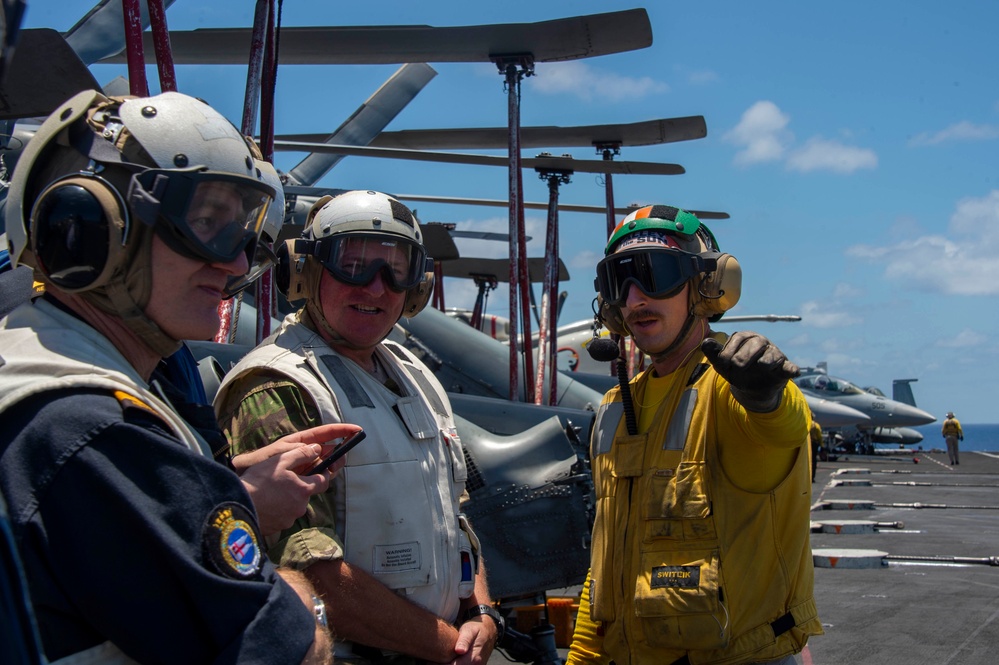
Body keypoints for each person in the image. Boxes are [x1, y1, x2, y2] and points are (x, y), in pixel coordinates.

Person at [0, 89, 350, 664]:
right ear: (90, 227)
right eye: (208, 224)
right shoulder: (92, 430)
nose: (237, 263)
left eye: (242, 234)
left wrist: (217, 489)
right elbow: (288, 651)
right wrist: (304, 597)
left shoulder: (42, 369)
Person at [214, 190, 501, 665]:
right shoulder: (281, 386)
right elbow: (312, 571)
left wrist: (485, 613)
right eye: (353, 264)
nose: (376, 288)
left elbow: (455, 521)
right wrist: (451, 647)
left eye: (397, 271)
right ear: (305, 272)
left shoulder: (415, 375)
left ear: (418, 286)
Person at [567, 205, 822, 665]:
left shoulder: (734, 389)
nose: (635, 296)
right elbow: (608, 563)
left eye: (654, 274)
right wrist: (581, 657)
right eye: (618, 281)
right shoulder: (613, 410)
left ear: (707, 286)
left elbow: (781, 429)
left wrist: (765, 396)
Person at [809, 414, 823, 482]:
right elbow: (819, 436)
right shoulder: (816, 425)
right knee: (813, 461)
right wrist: (822, 446)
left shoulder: (805, 423)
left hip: (807, 444)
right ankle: (812, 477)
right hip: (814, 444)